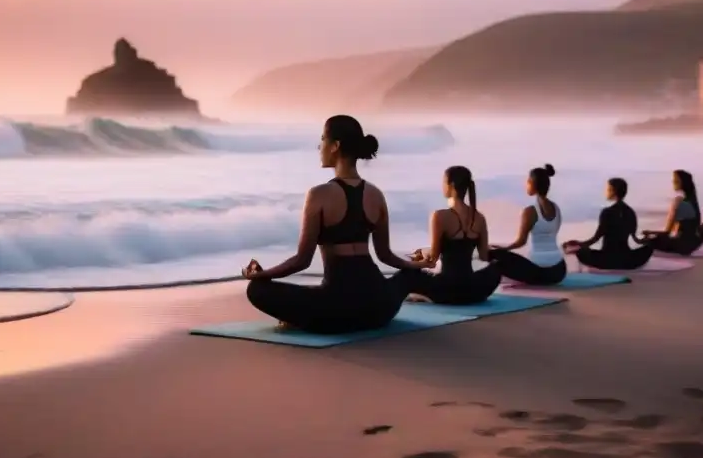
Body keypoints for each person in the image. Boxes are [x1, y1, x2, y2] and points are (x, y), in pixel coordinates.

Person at [242, 115, 423, 334]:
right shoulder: (376, 195)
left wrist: (261, 275)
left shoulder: (318, 195)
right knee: (408, 276)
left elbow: (301, 261)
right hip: (379, 307)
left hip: (337, 310)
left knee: (257, 290)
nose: (320, 147)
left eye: (323, 140)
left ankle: (302, 318)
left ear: (335, 146)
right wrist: (417, 266)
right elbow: (386, 256)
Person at [399, 166, 502, 305]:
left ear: (451, 185)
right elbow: (484, 255)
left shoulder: (439, 216)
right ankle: (423, 296)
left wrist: (422, 251)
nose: (442, 186)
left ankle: (422, 296)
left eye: (444, 181)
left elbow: (432, 259)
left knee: (407, 275)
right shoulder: (479, 218)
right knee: (496, 268)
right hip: (473, 289)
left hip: (447, 290)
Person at [489, 164, 568, 286]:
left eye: (527, 181)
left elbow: (521, 242)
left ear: (532, 183)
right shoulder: (556, 209)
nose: (526, 184)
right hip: (559, 271)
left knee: (493, 255)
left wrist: (502, 249)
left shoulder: (530, 211)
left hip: (539, 272)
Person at [562, 177, 654, 270]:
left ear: (612, 191)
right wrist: (647, 240)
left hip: (608, 259)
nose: (606, 192)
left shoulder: (607, 212)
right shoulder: (630, 212)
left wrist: (578, 244)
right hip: (626, 259)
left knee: (581, 252)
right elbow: (636, 240)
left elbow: (594, 239)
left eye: (607, 189)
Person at [641, 169, 703, 256]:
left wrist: (650, 232)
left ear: (683, 183)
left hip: (682, 246)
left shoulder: (679, 201)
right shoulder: (693, 200)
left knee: (647, 241)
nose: (673, 181)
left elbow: (667, 232)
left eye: (676, 180)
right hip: (694, 243)